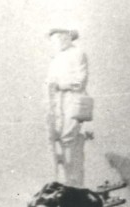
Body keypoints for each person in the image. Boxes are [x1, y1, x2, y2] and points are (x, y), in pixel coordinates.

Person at [46, 27, 89, 186]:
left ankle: (73, 180)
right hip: (57, 103)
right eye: (53, 39)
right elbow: (50, 82)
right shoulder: (56, 58)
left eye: (57, 37)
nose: (55, 42)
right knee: (58, 139)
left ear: (66, 37)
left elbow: (80, 80)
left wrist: (61, 85)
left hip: (73, 99)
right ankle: (64, 179)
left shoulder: (78, 54)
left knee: (69, 138)